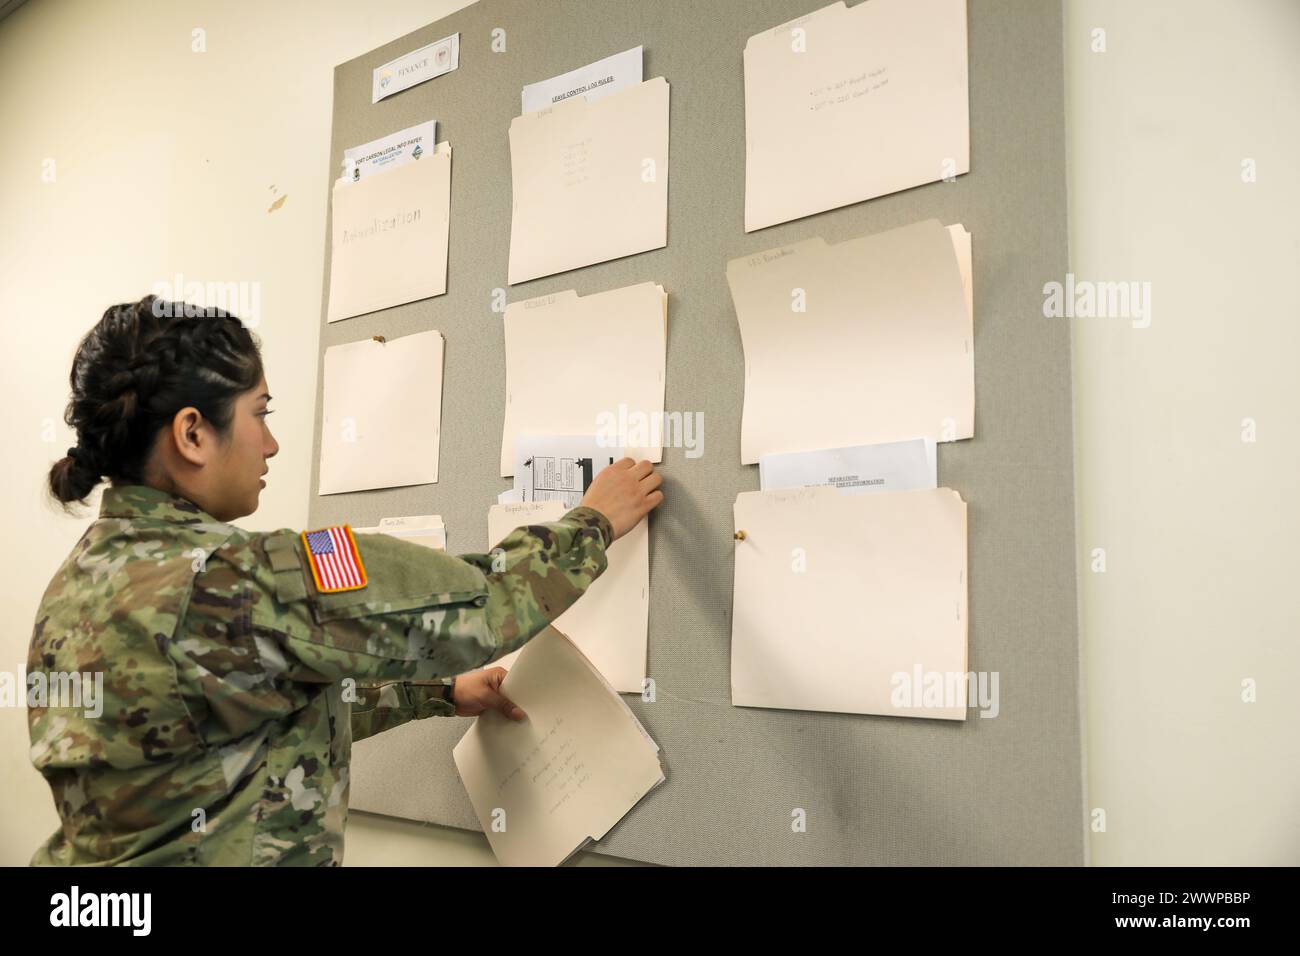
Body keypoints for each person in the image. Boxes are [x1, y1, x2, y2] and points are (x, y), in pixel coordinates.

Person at [27, 295, 663, 866]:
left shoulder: (76, 585)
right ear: (193, 433)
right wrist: (594, 520)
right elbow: (486, 601)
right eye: (260, 414)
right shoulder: (244, 578)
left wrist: (439, 693)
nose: (272, 445)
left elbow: (254, 708)